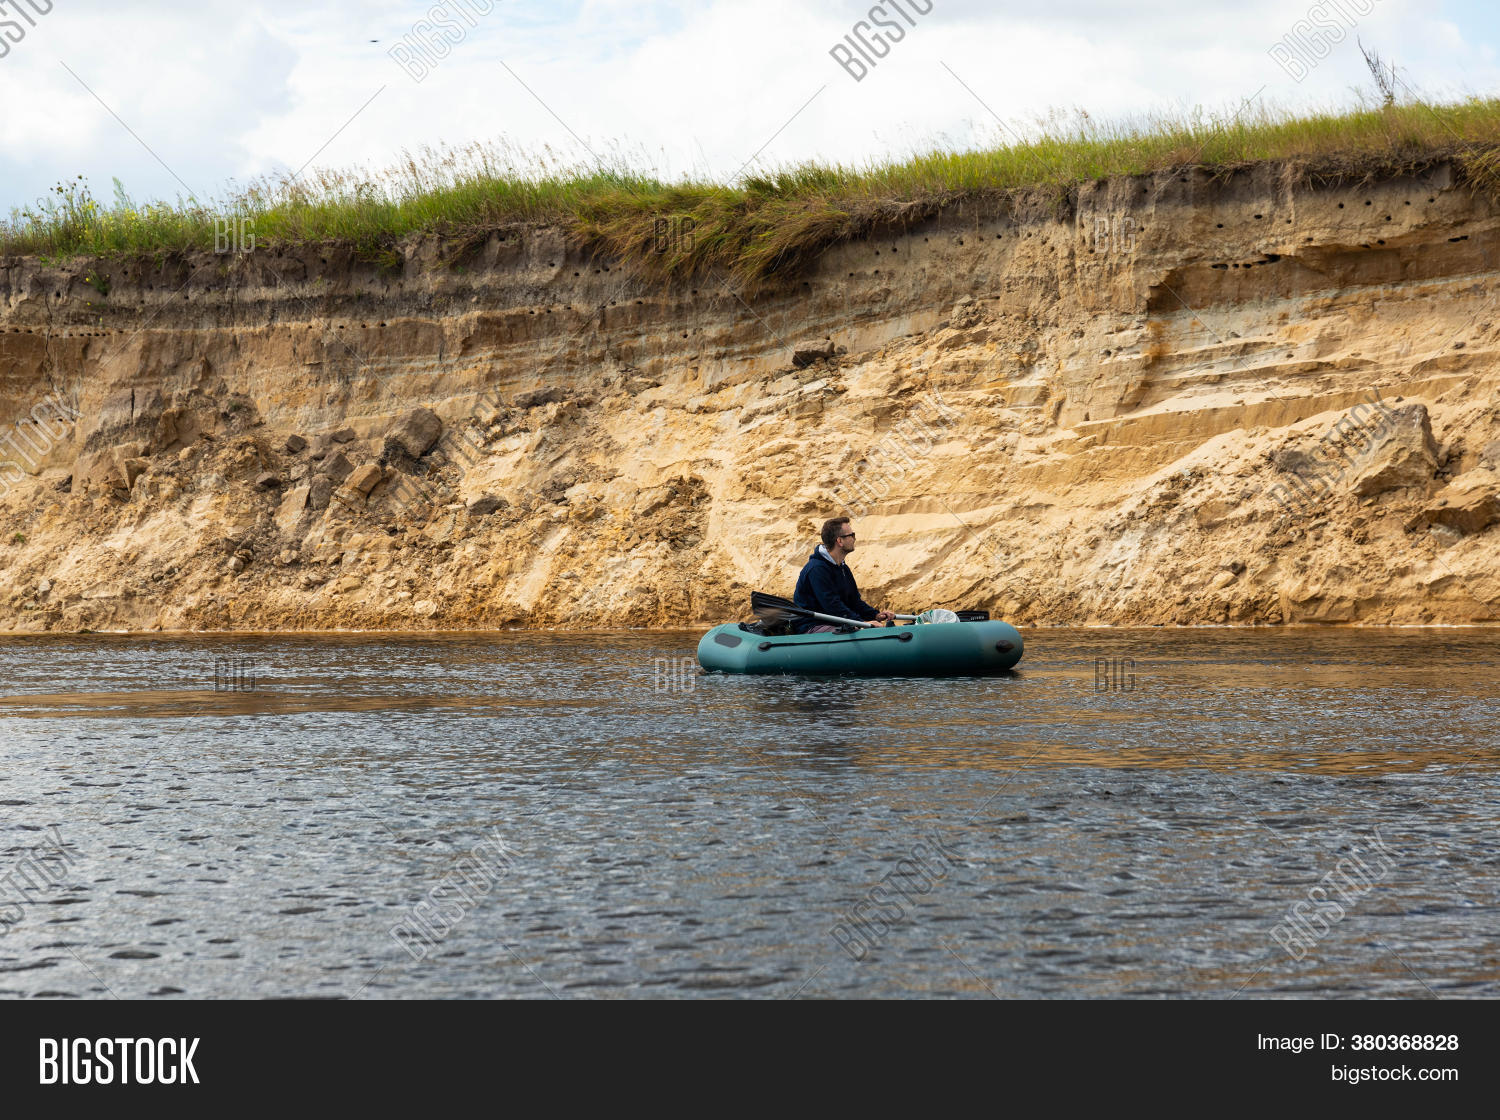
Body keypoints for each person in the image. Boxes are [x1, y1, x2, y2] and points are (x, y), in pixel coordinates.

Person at [792, 518, 894, 633]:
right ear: (840, 541)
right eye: (852, 535)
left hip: (834, 622)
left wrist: (875, 615)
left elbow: (855, 602)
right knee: (855, 632)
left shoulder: (842, 568)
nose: (854, 539)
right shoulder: (816, 569)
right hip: (812, 626)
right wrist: (861, 623)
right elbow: (832, 606)